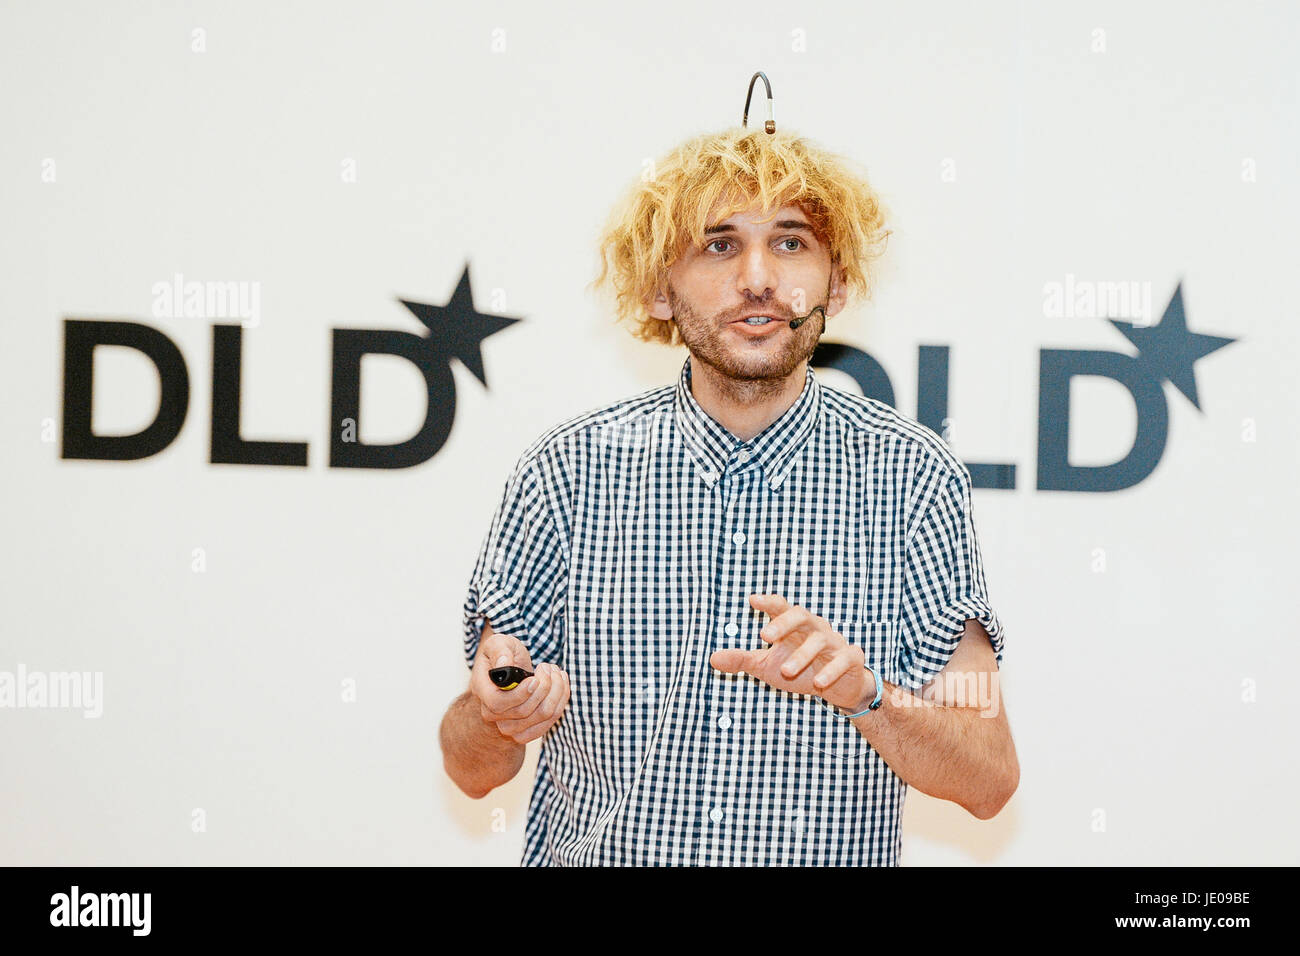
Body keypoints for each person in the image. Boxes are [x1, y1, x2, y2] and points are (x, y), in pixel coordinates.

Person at [439, 126, 1018, 866]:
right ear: (658, 288)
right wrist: (496, 712)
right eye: (718, 245)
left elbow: (990, 776)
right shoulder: (566, 472)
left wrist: (867, 694)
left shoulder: (914, 478)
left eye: (789, 243)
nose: (758, 278)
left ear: (836, 285)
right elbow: (471, 767)